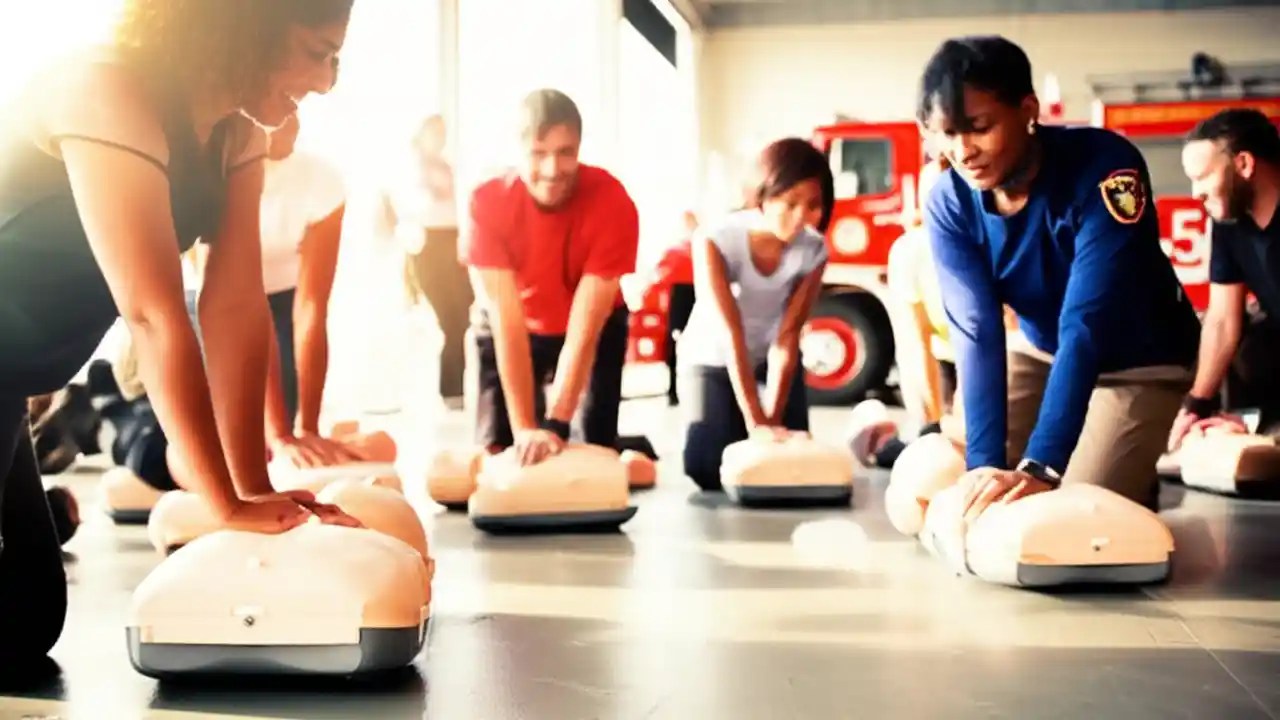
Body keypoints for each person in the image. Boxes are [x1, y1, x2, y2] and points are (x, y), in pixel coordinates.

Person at [0, 0, 359, 663]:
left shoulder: (235, 136)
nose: (327, 82)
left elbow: (235, 307)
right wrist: (221, 501)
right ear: (244, 26)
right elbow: (154, 313)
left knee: (25, 621)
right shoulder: (105, 91)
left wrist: (252, 485)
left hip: (13, 387)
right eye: (318, 52)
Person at [918, 35, 1201, 522]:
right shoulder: (949, 201)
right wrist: (982, 468)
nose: (963, 151)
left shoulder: (1105, 168)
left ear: (1028, 110)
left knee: (1073, 516)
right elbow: (977, 330)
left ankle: (1134, 470)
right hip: (1039, 351)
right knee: (949, 488)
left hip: (1140, 361)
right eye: (946, 134)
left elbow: (1086, 322)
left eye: (979, 128)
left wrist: (1041, 465)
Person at [461, 89, 640, 466]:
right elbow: (506, 323)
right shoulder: (486, 202)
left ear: (579, 148)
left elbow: (585, 326)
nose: (552, 169)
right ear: (518, 149)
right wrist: (527, 428)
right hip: (515, 325)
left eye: (565, 152)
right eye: (538, 153)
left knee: (594, 449)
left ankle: (621, 443)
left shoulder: (612, 200)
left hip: (593, 327)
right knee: (501, 450)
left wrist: (556, 423)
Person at [677, 138, 832, 491]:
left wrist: (771, 425)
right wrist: (756, 422)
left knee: (788, 465)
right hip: (713, 357)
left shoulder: (814, 249)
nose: (801, 218)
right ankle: (733, 420)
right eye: (789, 203)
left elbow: (788, 334)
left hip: (771, 357)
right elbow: (729, 333)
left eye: (813, 206)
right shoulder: (715, 238)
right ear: (763, 195)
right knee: (706, 469)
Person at [1168, 109, 1280, 450]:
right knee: (1252, 349)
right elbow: (1221, 320)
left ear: (1244, 164)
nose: (1195, 192)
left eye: (1202, 177)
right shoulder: (1227, 223)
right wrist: (1196, 405)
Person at [385, 114, 473, 405]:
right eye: (435, 132)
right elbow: (400, 211)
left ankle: (455, 391)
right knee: (449, 321)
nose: (441, 138)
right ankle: (449, 392)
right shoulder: (409, 169)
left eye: (443, 132)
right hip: (427, 247)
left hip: (455, 243)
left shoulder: (449, 168)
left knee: (460, 320)